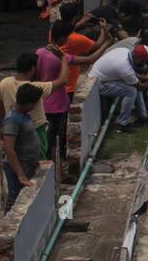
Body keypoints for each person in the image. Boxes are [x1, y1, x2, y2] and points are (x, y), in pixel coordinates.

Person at [37, 21, 109, 170]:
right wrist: (106, 43)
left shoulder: (39, 52)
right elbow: (90, 59)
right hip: (57, 104)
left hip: (43, 101)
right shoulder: (62, 57)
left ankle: (48, 161)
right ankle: (54, 164)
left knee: (45, 136)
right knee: (56, 137)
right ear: (63, 38)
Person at [0, 50, 69, 155]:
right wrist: (63, 58)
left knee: (17, 157)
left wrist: (2, 129)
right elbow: (63, 80)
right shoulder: (36, 87)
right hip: (35, 130)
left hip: (12, 129)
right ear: (32, 68)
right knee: (38, 162)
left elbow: (0, 108)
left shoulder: (4, 83)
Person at [90, 43, 148, 131]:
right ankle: (122, 124)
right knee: (131, 91)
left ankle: (142, 117)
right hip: (97, 85)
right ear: (138, 58)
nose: (144, 63)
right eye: (143, 60)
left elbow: (130, 72)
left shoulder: (125, 52)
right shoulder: (124, 66)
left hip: (102, 77)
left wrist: (144, 77)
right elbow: (141, 87)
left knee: (134, 85)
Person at [0, 84, 44, 210]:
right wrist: (20, 174)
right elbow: (8, 148)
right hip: (19, 166)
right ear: (29, 104)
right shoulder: (12, 120)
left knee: (24, 197)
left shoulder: (23, 115)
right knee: (16, 198)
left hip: (27, 164)